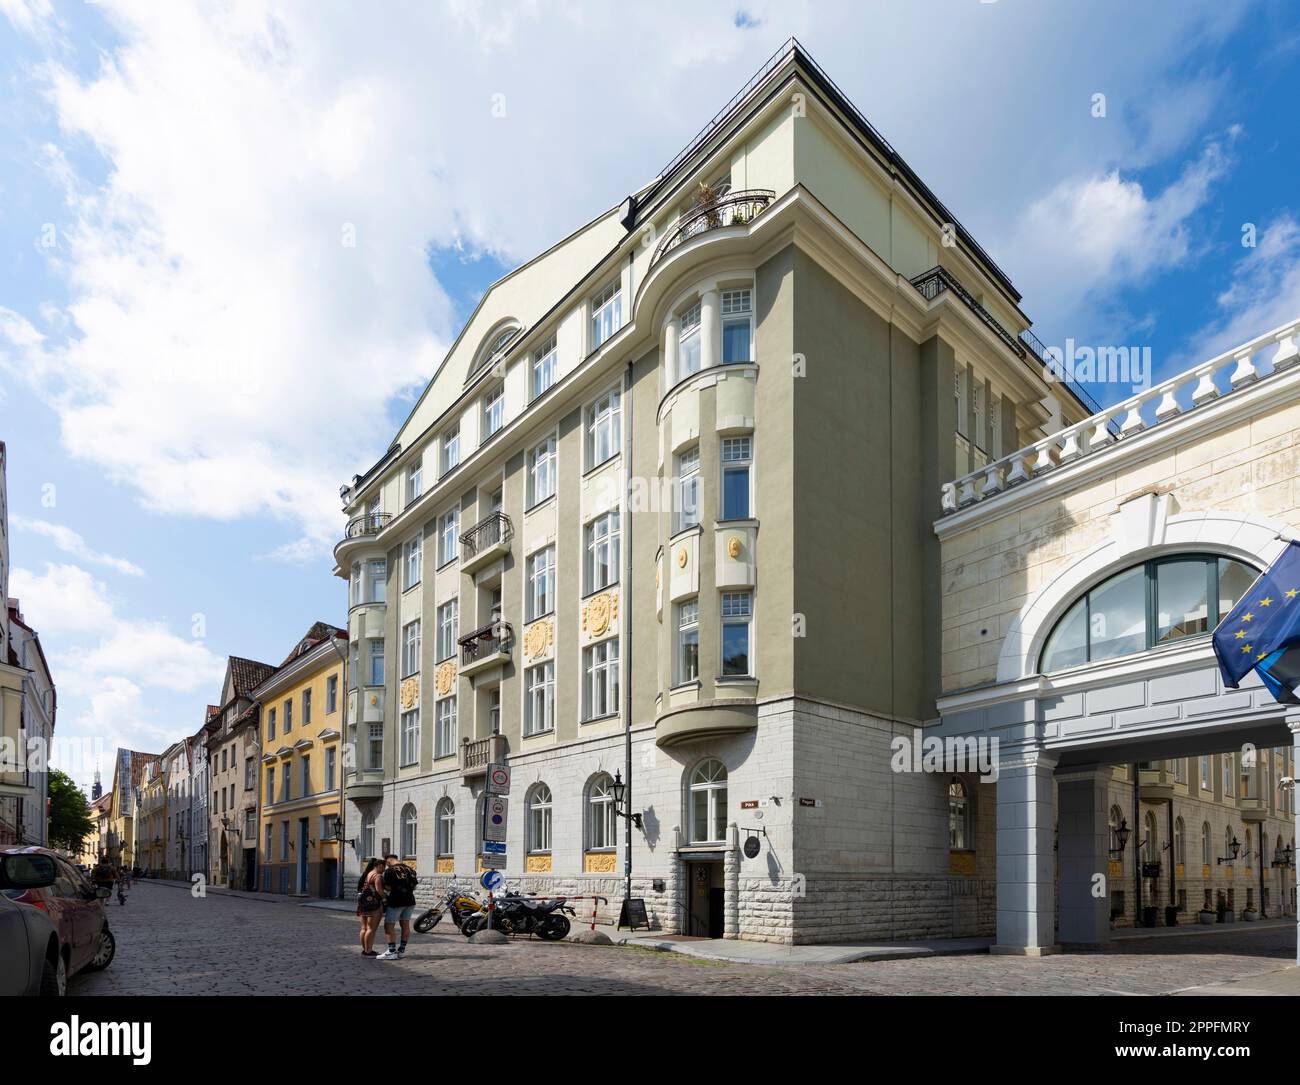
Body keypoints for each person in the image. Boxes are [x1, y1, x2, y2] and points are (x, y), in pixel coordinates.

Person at [376, 854, 419, 960]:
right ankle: (401, 951)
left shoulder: (390, 871)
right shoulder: (410, 869)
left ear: (388, 861)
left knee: (389, 925)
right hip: (410, 900)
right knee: (405, 924)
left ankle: (391, 951)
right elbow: (414, 885)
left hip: (396, 901)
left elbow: (388, 887)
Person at [355, 858, 385, 957]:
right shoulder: (377, 876)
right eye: (382, 867)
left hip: (364, 905)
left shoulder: (366, 874)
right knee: (371, 929)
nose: (383, 869)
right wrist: (386, 897)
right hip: (373, 905)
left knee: (364, 928)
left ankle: (365, 950)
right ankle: (369, 951)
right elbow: (379, 891)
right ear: (376, 866)